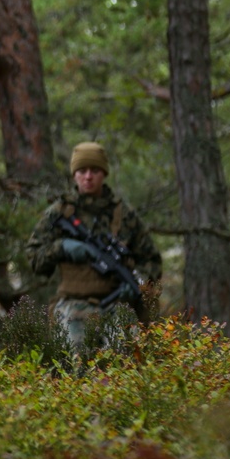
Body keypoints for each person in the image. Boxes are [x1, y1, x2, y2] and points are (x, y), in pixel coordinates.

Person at [26, 141, 161, 347]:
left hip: (118, 304)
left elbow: (152, 261)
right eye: (82, 170)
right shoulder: (59, 212)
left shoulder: (124, 214)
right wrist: (61, 247)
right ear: (74, 174)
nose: (88, 177)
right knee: (76, 360)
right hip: (72, 304)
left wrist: (138, 284)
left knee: (130, 357)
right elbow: (34, 257)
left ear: (104, 173)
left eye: (95, 170)